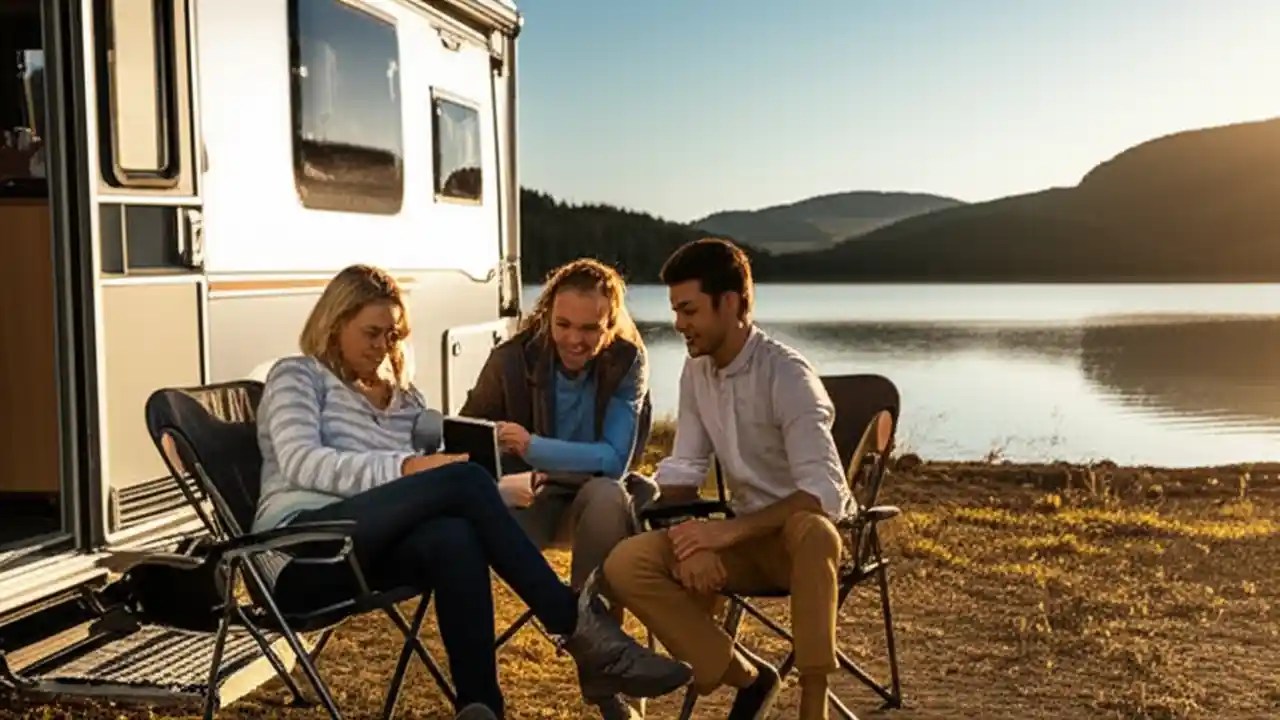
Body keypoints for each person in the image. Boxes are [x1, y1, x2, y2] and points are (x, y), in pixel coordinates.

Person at [251, 265, 692, 719]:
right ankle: (582, 630)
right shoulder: (298, 376)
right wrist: (409, 466)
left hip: (367, 555)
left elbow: (433, 492)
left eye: (392, 334)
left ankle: (480, 707)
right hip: (300, 550)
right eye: (371, 332)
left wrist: (499, 491)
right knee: (459, 481)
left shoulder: (404, 399)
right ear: (334, 321)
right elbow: (302, 461)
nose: (382, 346)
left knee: (454, 537)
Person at [602, 239, 855, 720]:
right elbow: (685, 469)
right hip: (740, 540)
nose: (678, 324)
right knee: (624, 564)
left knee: (817, 532)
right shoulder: (697, 370)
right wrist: (678, 537)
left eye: (689, 310)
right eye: (676, 311)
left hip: (797, 544)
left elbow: (823, 495)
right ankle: (748, 676)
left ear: (733, 303)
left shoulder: (788, 376)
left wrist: (722, 533)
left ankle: (813, 702)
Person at [460, 258, 656, 719]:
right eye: (563, 324)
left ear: (610, 325)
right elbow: (465, 441)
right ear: (546, 313)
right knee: (464, 529)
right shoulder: (511, 359)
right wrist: (510, 473)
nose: (575, 339)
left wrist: (531, 446)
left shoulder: (626, 360)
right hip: (526, 501)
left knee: (610, 496)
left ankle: (604, 672)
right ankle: (479, 694)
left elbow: (613, 461)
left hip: (590, 504)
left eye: (591, 328)